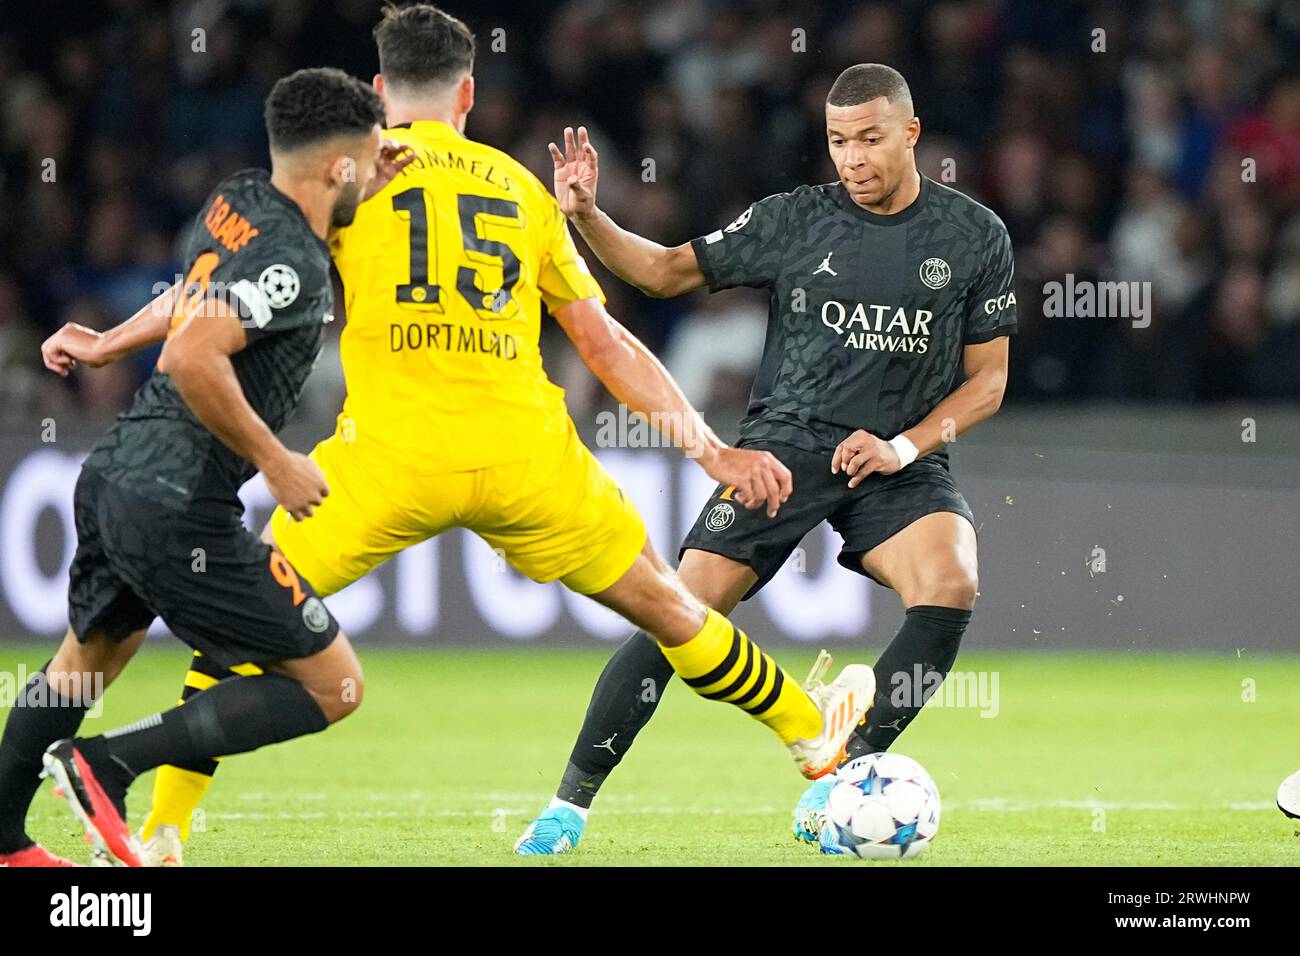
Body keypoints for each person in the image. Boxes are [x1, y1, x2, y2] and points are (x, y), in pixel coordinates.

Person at [40, 5, 874, 866]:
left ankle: (164, 832)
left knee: (241, 629)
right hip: (523, 458)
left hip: (385, 462)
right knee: (668, 606)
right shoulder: (519, 187)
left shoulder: (351, 175)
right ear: (469, 93)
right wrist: (712, 450)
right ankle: (810, 732)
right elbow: (604, 342)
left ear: (376, 90)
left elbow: (214, 288)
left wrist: (108, 342)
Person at [513, 62, 1015, 854]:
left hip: (895, 456)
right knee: (680, 612)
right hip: (782, 450)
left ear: (911, 134)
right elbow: (665, 269)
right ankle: (568, 805)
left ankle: (849, 774)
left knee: (952, 580)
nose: (853, 159)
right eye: (840, 142)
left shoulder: (975, 236)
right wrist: (588, 217)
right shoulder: (796, 219)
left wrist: (903, 445)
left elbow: (988, 381)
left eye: (871, 140)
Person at [0, 67, 400, 866]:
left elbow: (195, 296)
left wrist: (108, 340)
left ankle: (1, 840)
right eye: (368, 155)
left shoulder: (241, 197)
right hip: (177, 502)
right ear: (335, 167)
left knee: (86, 660)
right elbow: (192, 352)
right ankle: (105, 766)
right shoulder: (298, 262)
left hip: (117, 471)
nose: (380, 165)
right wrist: (276, 460)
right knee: (334, 684)